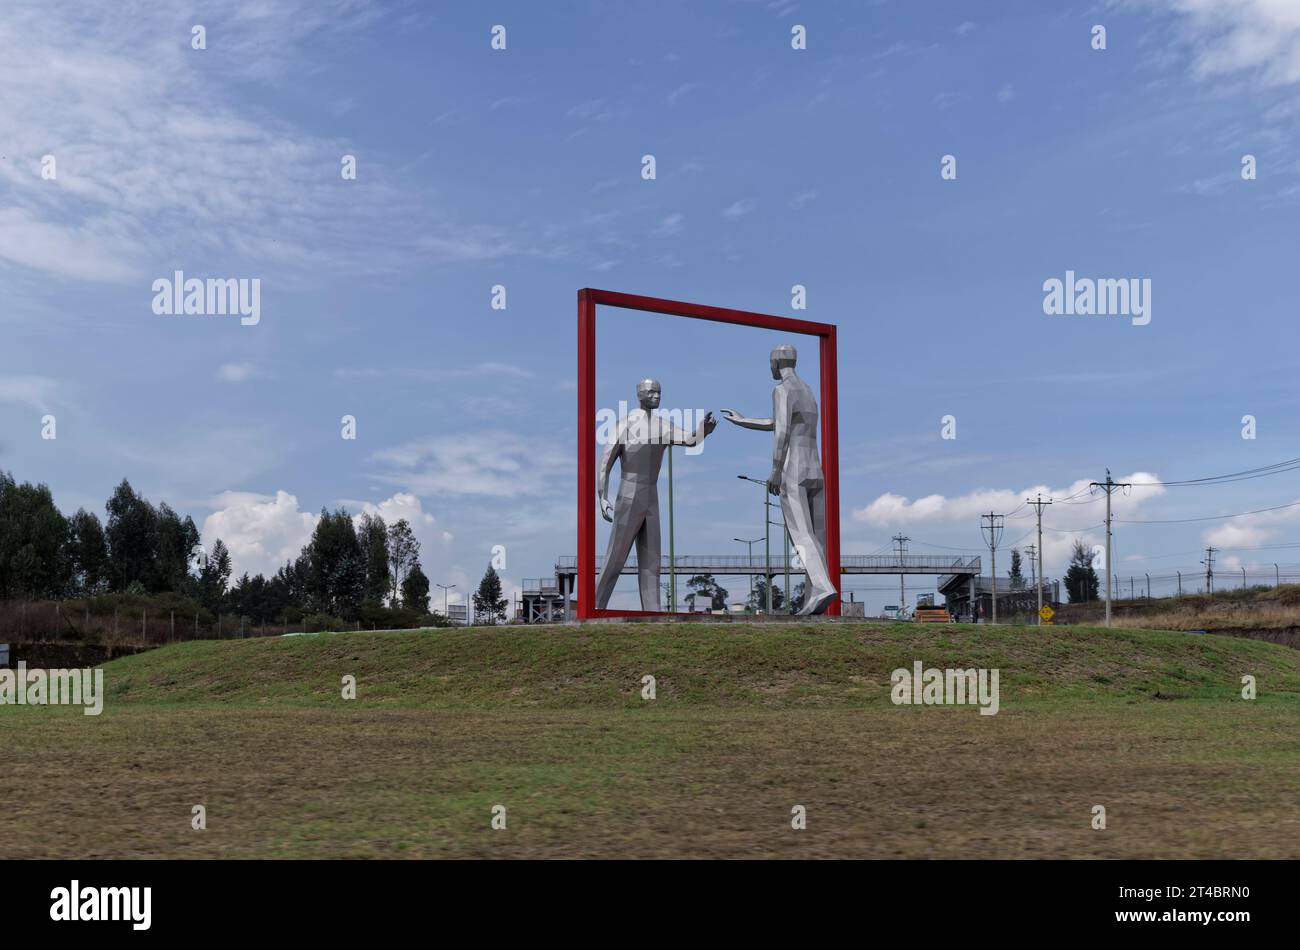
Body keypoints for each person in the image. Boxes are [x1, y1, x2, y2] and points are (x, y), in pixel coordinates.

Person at [722, 344, 837, 615]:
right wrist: (744, 420)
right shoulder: (808, 391)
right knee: (817, 538)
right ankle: (814, 597)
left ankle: (821, 586)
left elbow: (782, 431)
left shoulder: (782, 390)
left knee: (801, 535)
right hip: (815, 470)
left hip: (794, 469)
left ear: (775, 363)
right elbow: (782, 422)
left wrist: (775, 471)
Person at [595, 379, 716, 610]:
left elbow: (690, 440)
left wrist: (703, 431)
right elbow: (605, 463)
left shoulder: (663, 426)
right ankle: (595, 605)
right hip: (628, 492)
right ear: (639, 394)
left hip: (651, 495)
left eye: (659, 392)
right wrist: (602, 496)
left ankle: (653, 610)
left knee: (652, 562)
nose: (656, 396)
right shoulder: (624, 425)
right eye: (651, 392)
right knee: (615, 558)